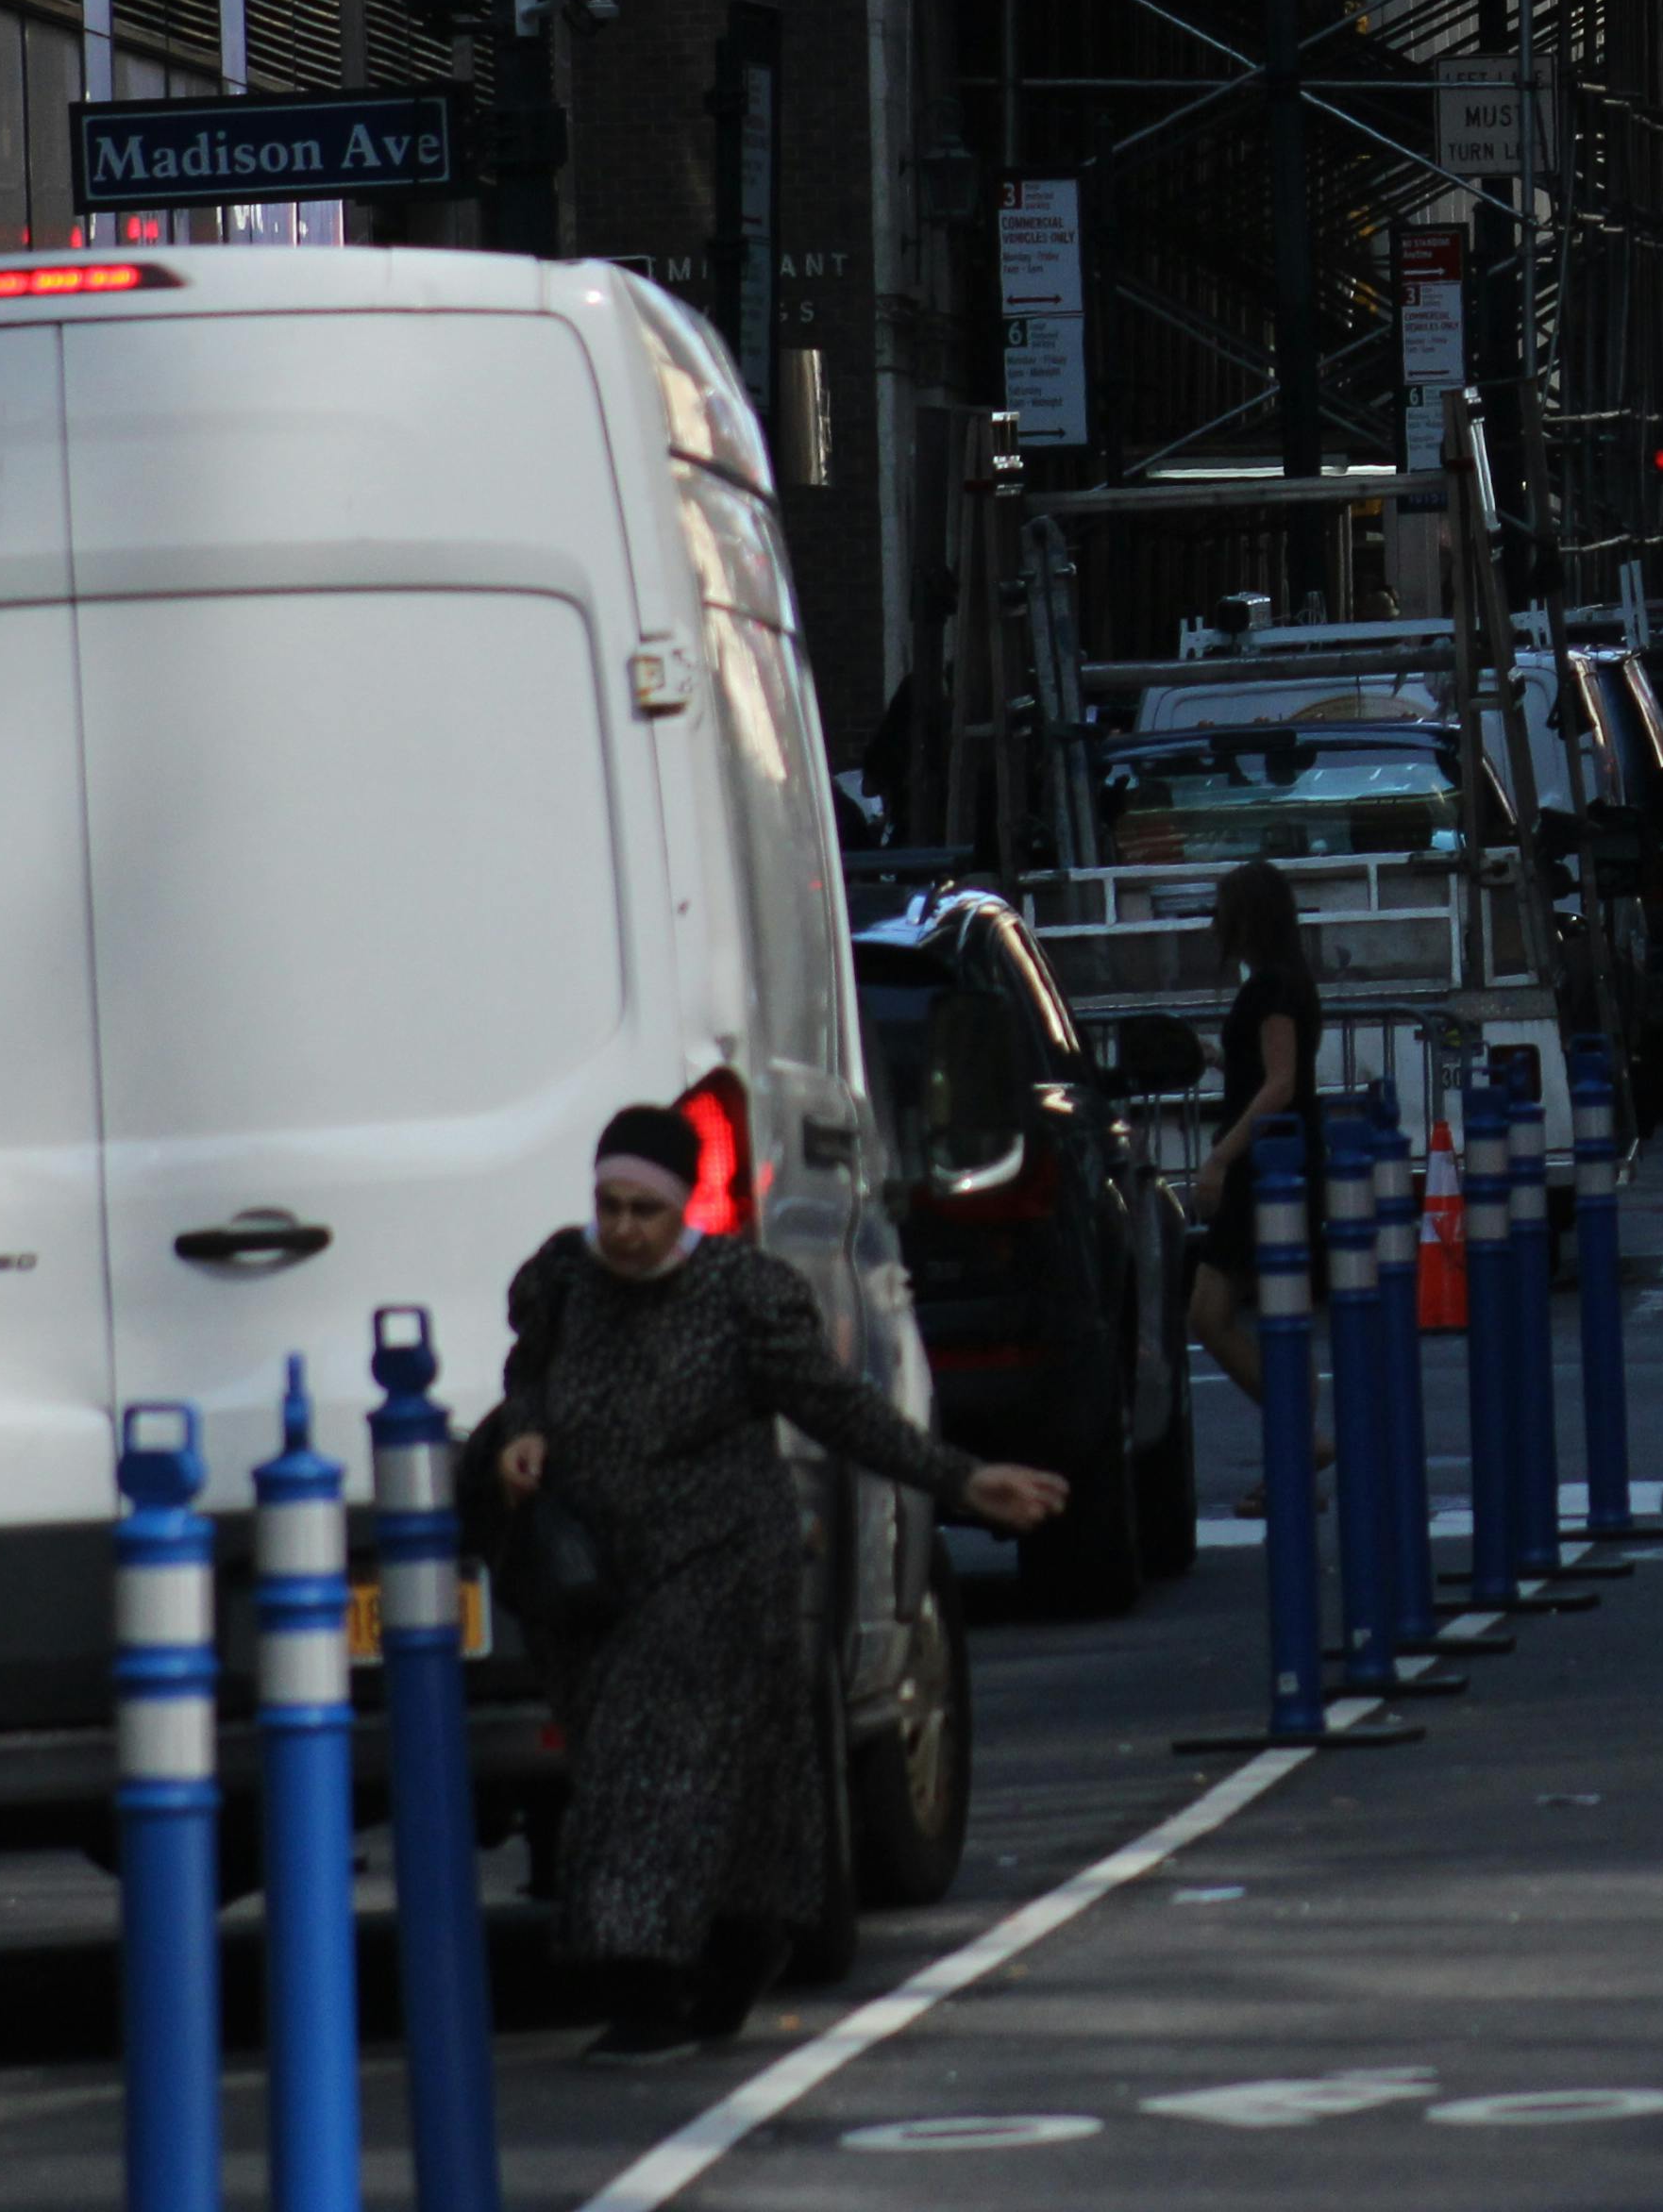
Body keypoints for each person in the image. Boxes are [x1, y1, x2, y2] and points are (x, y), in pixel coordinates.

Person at [489, 1105, 1068, 2062]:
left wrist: (963, 1479)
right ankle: (736, 1948)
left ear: (685, 1208)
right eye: (609, 1205)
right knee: (686, 1776)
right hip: (598, 1576)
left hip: (721, 1565)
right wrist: (526, 1434)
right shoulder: (565, 1280)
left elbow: (840, 1409)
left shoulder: (740, 1295)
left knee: (652, 1767)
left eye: (644, 1210)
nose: (623, 1229)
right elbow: (529, 1378)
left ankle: (648, 1987)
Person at [1179, 857, 1317, 1410]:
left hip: (1263, 1168)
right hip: (1279, 1159)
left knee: (1209, 1313)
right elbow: (1272, 1074)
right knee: (1276, 1310)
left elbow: (1280, 1082)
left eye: (1221, 914)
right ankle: (1297, 1429)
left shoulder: (1271, 987)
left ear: (1246, 920)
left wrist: (1220, 1160)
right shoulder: (1287, 980)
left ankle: (1297, 1427)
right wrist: (1221, 1058)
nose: (1214, 926)